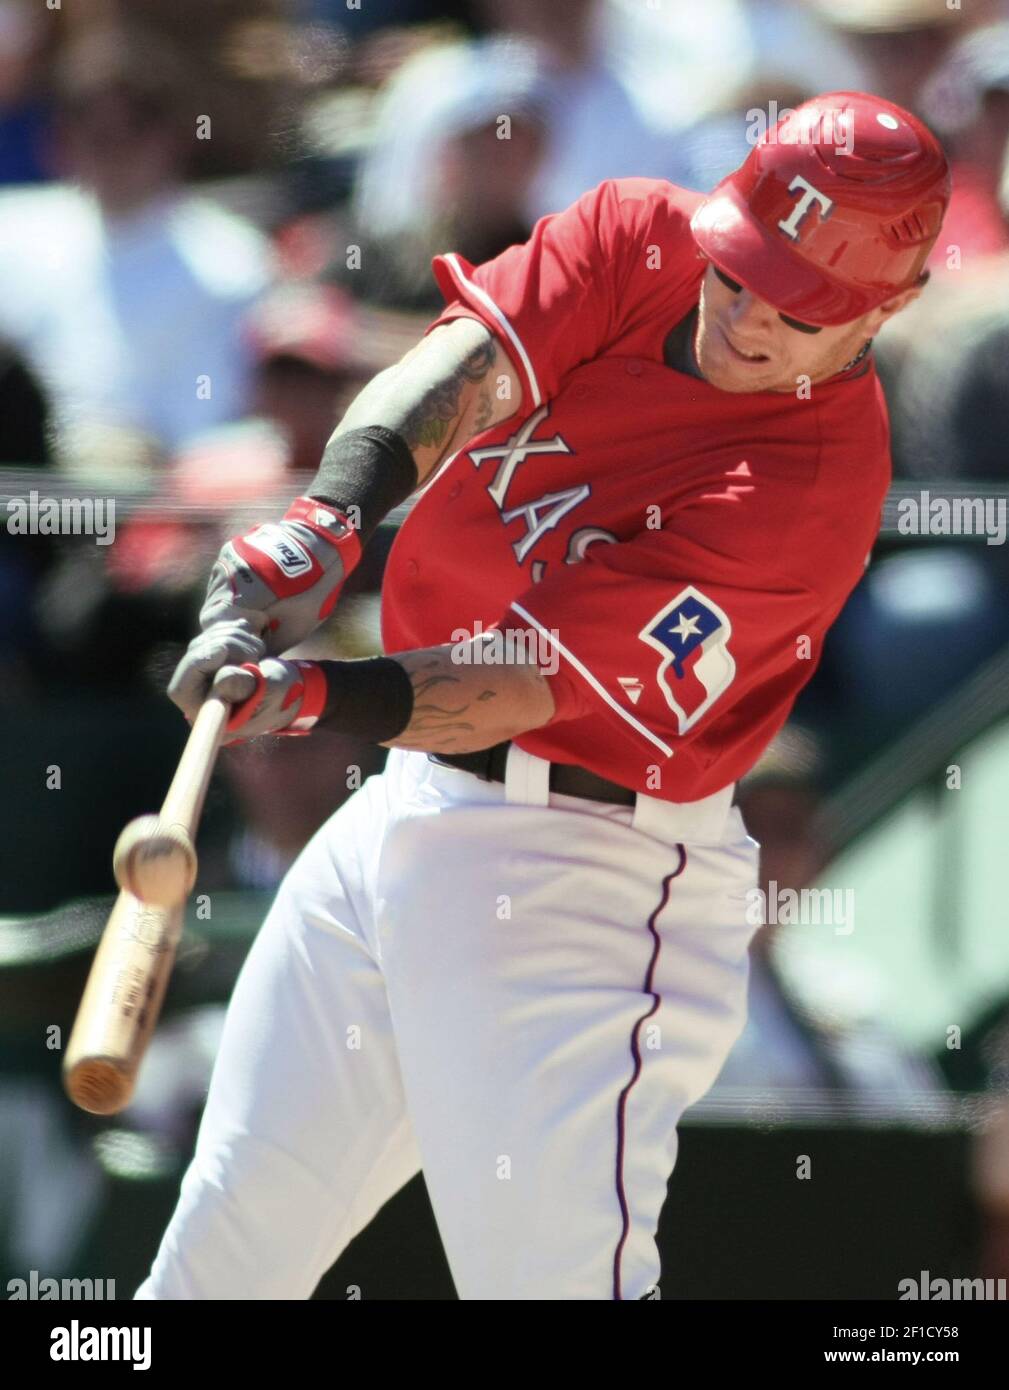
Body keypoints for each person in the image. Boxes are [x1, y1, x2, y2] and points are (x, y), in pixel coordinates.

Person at [136, 92, 950, 1301]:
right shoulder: (639, 234)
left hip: (581, 873)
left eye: (796, 309)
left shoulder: (808, 486)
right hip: (403, 818)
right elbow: (464, 364)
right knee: (217, 1260)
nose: (745, 318)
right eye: (738, 276)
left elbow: (519, 684)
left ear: (885, 307)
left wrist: (309, 695)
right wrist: (328, 516)